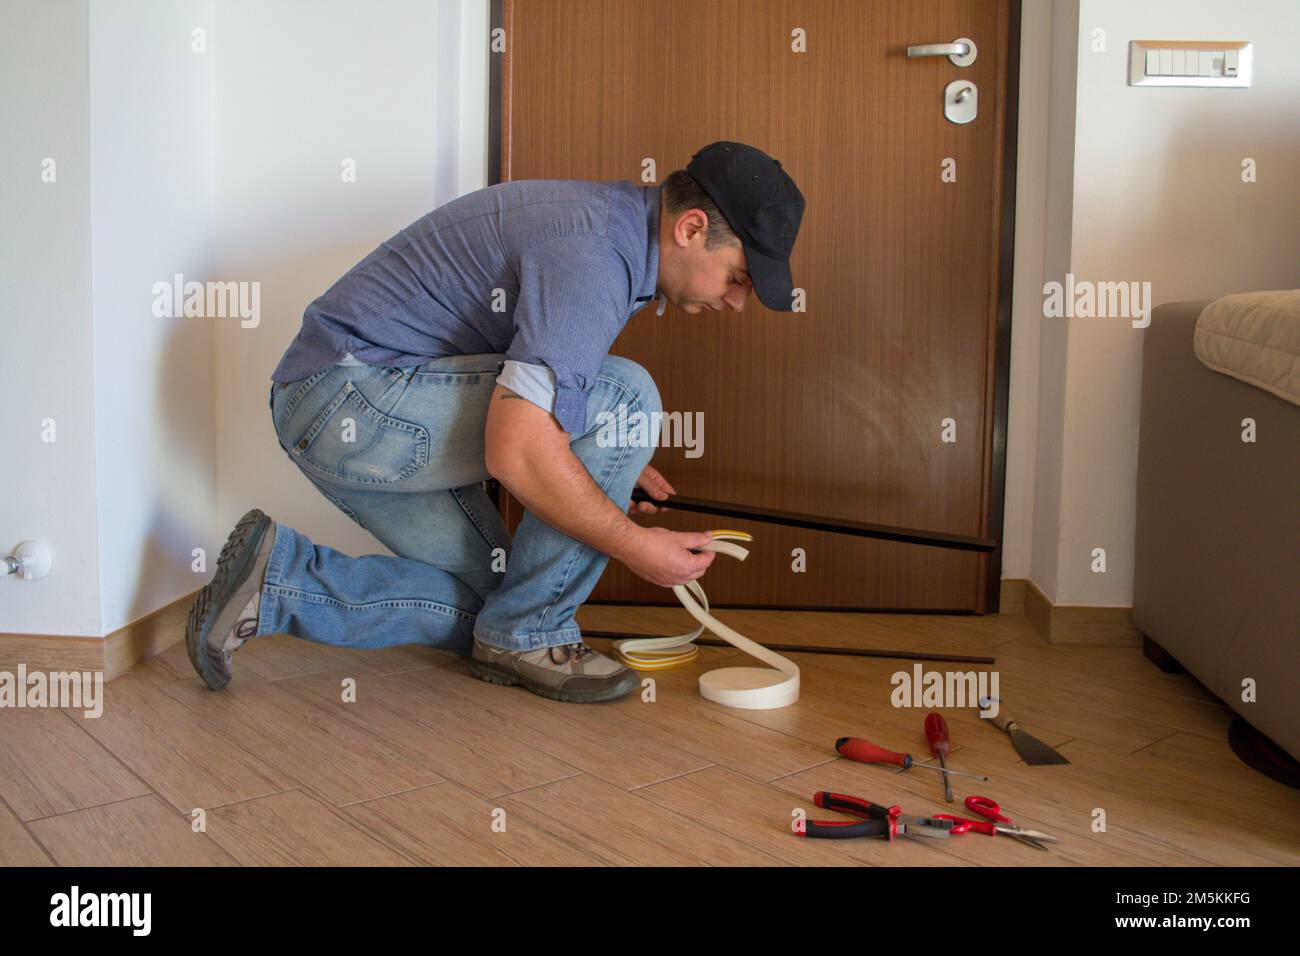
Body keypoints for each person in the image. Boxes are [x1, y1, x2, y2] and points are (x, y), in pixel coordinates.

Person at [185, 141, 805, 703]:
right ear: (691, 228)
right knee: (626, 398)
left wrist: (608, 455)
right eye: (739, 278)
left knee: (504, 606)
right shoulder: (594, 255)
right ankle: (534, 633)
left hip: (342, 407)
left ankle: (277, 583)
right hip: (352, 403)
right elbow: (518, 451)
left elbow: (531, 407)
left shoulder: (604, 228)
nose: (736, 302)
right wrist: (636, 545)